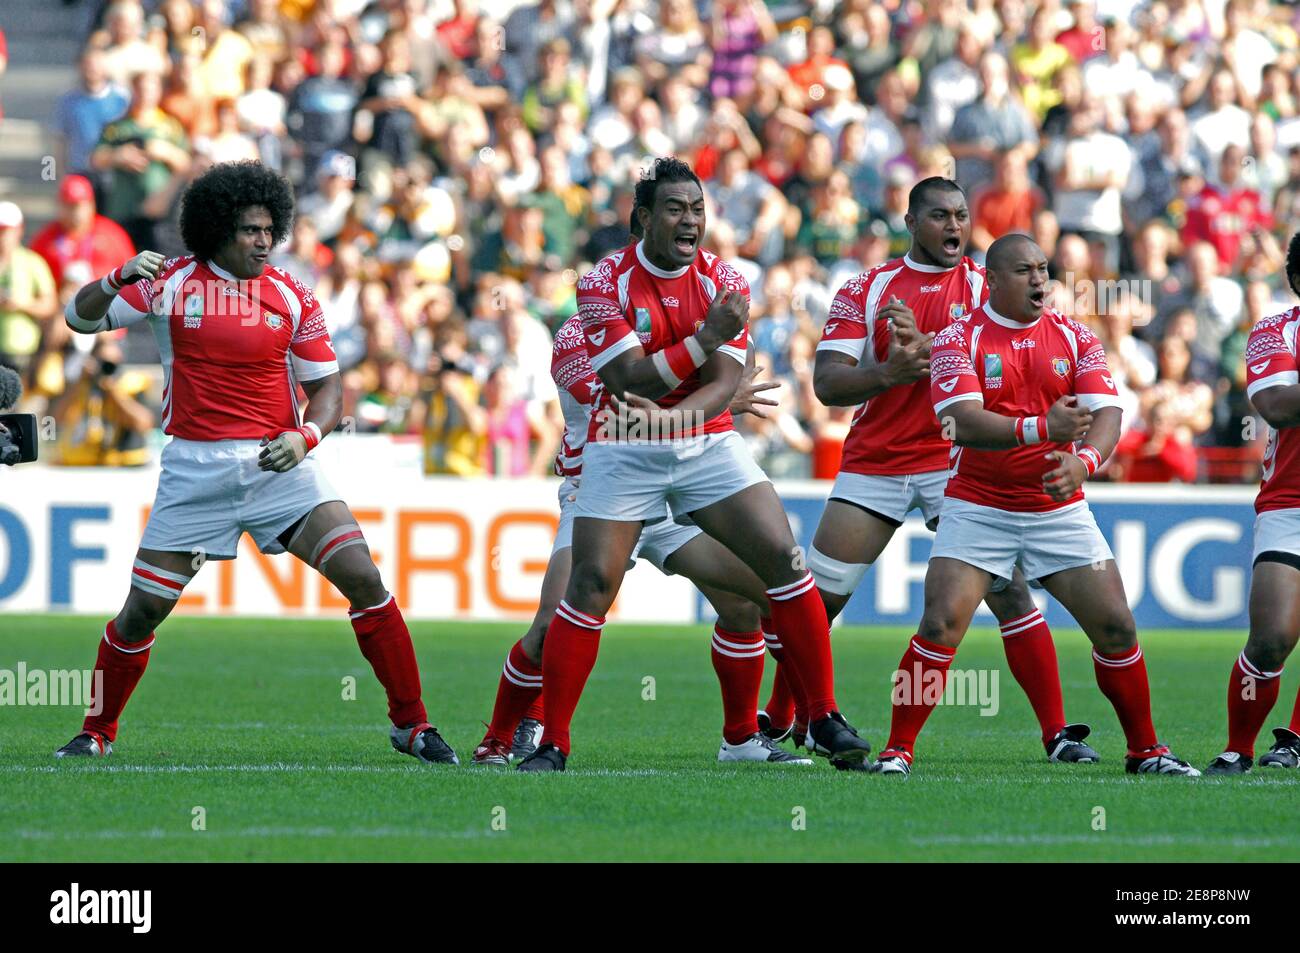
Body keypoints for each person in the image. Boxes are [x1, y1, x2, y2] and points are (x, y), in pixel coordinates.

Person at [54, 160, 457, 767]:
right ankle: (96, 730)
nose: (263, 241)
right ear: (218, 230)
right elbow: (78, 318)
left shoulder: (292, 294)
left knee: (364, 578)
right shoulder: (167, 282)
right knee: (141, 613)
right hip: (195, 471)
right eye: (249, 230)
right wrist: (113, 278)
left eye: (270, 229)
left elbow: (327, 386)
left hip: (281, 468)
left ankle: (413, 724)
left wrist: (309, 436)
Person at [516, 158, 872, 771]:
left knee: (785, 564)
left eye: (698, 208)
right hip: (621, 450)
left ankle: (822, 716)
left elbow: (727, 382)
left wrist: (673, 413)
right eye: (676, 208)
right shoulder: (603, 284)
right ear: (645, 218)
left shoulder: (724, 279)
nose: (691, 220)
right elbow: (628, 378)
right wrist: (703, 342)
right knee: (590, 587)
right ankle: (553, 743)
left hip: (704, 445)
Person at [867, 232, 1199, 777]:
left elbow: (1109, 411)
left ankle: (1146, 751)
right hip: (978, 504)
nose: (1039, 279)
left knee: (1116, 627)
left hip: (1056, 510)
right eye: (1024, 270)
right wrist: (1043, 428)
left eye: (1043, 269)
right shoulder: (959, 338)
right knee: (940, 624)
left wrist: (1085, 461)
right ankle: (897, 749)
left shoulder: (1075, 336)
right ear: (992, 281)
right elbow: (961, 422)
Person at [794, 177, 1092, 764]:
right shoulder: (867, 288)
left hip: (955, 465)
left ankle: (1056, 733)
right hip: (876, 460)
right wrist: (886, 372)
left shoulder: (992, 287)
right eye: (938, 216)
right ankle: (793, 719)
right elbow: (827, 383)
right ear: (909, 223)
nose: (953, 226)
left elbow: (1016, 356)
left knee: (1011, 596)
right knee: (820, 600)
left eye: (960, 214)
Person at [471, 313, 810, 767]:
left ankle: (744, 736)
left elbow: (699, 392)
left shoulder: (683, 322)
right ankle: (498, 738)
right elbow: (619, 413)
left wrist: (715, 392)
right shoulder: (580, 330)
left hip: (677, 494)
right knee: (553, 622)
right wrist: (719, 398)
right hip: (603, 493)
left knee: (753, 599)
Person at [1205, 232, 1300, 774]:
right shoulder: (1275, 329)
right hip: (1289, 503)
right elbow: (1276, 404)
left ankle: (1292, 743)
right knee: (1272, 637)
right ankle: (1239, 746)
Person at [29, 175, 136, 289]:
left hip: (108, 302)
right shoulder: (45, 240)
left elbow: (132, 275)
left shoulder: (112, 234)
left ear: (91, 205)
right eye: (68, 206)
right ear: (59, 205)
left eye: (78, 206)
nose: (74, 213)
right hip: (63, 304)